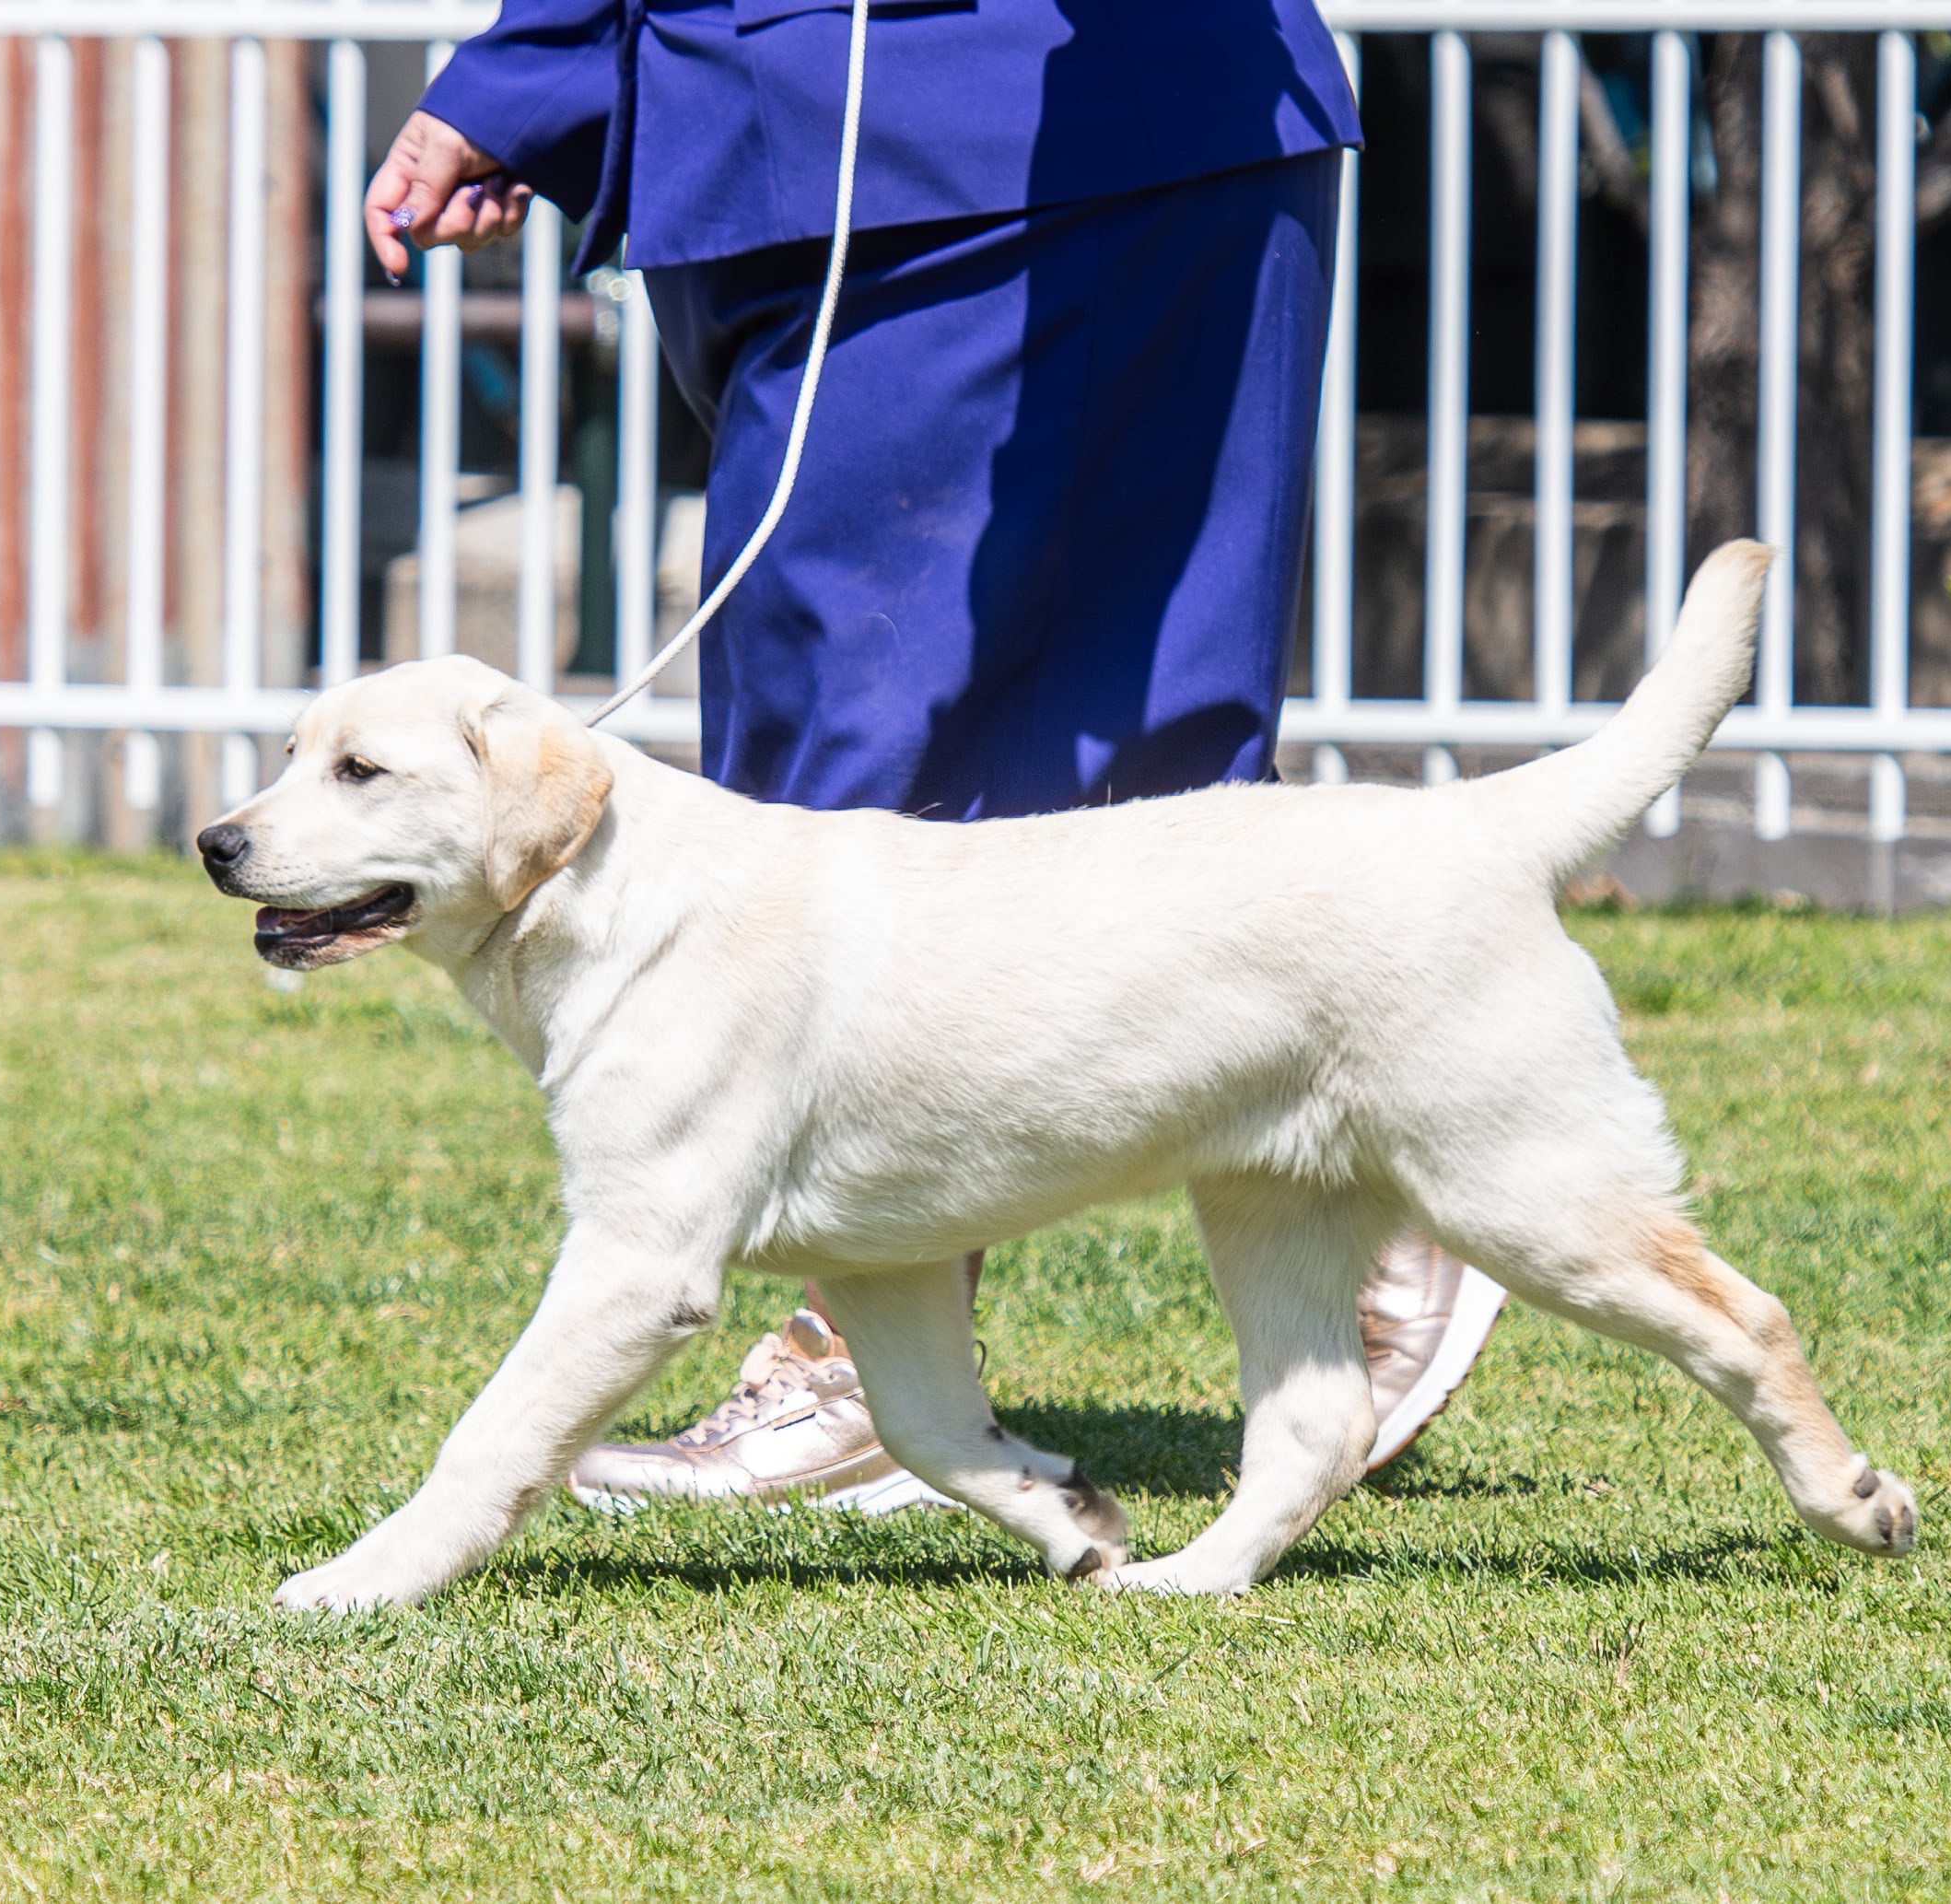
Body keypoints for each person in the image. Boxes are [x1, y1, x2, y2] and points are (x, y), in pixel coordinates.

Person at [368, 0, 1506, 1514]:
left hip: (1102, 103)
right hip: (816, 130)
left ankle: (1371, 1167)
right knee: (841, 742)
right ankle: (891, 1341)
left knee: (1124, 743)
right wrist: (527, 81)